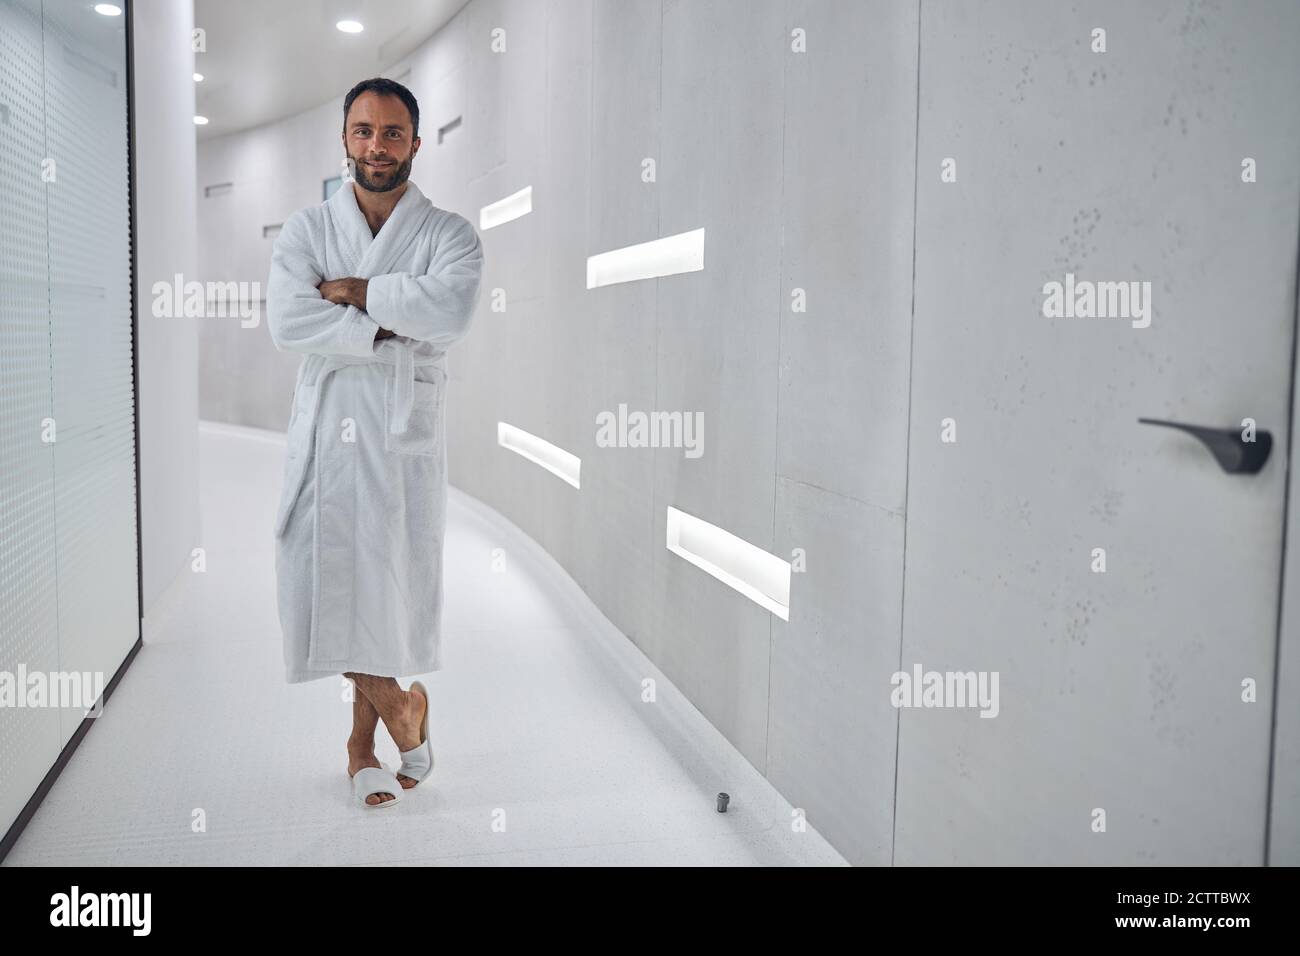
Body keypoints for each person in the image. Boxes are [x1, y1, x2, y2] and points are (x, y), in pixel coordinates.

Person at [266, 77, 484, 807]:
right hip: (329, 426)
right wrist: (395, 312)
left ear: (416, 143)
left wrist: (355, 291)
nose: (377, 146)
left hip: (399, 430)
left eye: (393, 133)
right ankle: (400, 708)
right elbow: (289, 323)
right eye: (364, 131)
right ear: (344, 139)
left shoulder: (450, 234)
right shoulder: (304, 230)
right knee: (323, 573)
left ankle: (360, 742)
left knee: (381, 581)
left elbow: (450, 311)